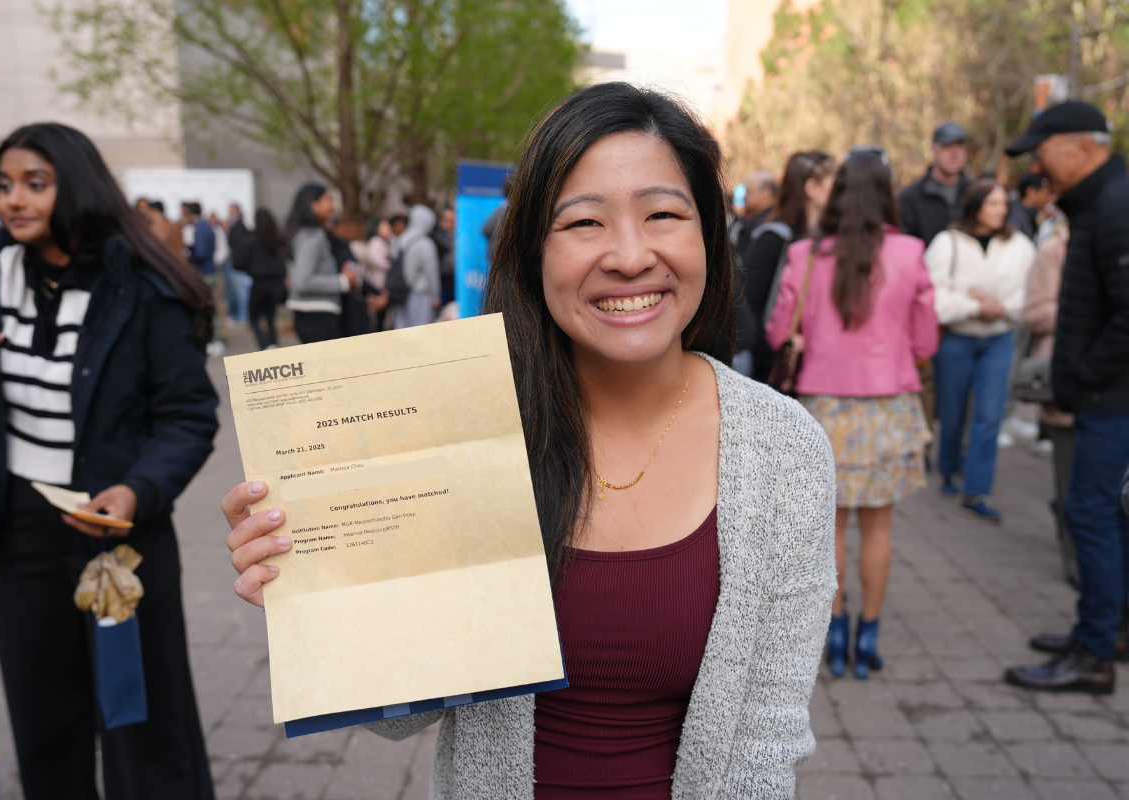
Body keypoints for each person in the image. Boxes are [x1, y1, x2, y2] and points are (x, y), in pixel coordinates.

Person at [223, 81, 836, 798]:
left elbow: (766, 737)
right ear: (533, 251)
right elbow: (399, 718)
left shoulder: (784, 450)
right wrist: (316, 591)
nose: (630, 256)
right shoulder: (462, 427)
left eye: (664, 214)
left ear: (709, 235)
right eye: (583, 224)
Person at [0, 123, 218, 798]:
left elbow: (188, 415)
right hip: (15, 538)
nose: (13, 200)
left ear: (76, 185)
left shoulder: (141, 283)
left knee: (143, 731)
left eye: (35, 183)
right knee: (45, 730)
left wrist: (139, 490)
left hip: (118, 534)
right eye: (4, 185)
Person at [766, 148, 937, 679]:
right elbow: (926, 341)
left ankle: (833, 630)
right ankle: (869, 635)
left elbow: (777, 333)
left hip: (823, 407)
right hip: (889, 407)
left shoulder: (805, 255)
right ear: (887, 192)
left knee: (831, 530)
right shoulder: (910, 253)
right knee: (879, 530)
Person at [1004, 101, 1129, 693]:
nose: (1037, 163)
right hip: (1105, 393)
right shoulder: (1099, 203)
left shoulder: (1115, 206)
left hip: (1112, 398)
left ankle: (1094, 652)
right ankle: (1110, 627)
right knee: (1111, 515)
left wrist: (1082, 372)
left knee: (1090, 512)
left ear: (1083, 145)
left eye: (1042, 149)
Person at [925, 178, 1036, 523]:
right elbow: (934, 296)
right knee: (953, 409)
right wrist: (971, 306)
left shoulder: (1020, 245)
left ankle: (976, 489)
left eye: (1004, 203)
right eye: (992, 203)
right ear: (974, 207)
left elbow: (1027, 292)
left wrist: (998, 307)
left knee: (988, 414)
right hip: (957, 337)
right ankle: (948, 470)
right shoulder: (947, 243)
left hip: (999, 338)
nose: (1001, 210)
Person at [741, 150, 836, 381]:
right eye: (836, 183)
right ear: (812, 188)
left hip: (815, 369)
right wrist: (773, 352)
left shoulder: (830, 240)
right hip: (774, 371)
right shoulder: (773, 237)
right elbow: (748, 304)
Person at [1021, 217, 1079, 586]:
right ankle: (1075, 560)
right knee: (1070, 482)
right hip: (1065, 378)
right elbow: (1032, 314)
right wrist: (1084, 311)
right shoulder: (1053, 250)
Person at [284, 183, 363, 343]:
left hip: (308, 316)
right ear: (313, 203)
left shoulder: (299, 233)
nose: (333, 206)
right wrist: (343, 281)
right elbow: (303, 281)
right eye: (328, 200)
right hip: (319, 316)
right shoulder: (313, 235)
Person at [899, 121, 972, 247]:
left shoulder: (975, 193)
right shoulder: (910, 198)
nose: (954, 153)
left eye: (959, 146)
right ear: (933, 149)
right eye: (947, 146)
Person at [235, 208, 286, 350]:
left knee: (254, 317)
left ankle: (265, 345)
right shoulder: (277, 239)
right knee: (270, 318)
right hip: (274, 284)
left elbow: (238, 262)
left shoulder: (251, 240)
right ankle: (273, 344)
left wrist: (249, 269)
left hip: (258, 283)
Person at [391, 204, 440, 329]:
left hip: (400, 292)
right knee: (421, 331)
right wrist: (435, 295)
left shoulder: (400, 240)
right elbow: (431, 272)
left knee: (401, 330)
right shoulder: (425, 243)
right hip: (421, 293)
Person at [182, 201, 221, 352]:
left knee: (207, 307)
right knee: (213, 305)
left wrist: (190, 255)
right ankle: (215, 339)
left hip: (204, 272)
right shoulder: (208, 227)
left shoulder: (199, 229)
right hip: (211, 271)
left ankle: (214, 340)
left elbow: (201, 252)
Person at [737, 169, 778, 248]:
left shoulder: (770, 227)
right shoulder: (757, 219)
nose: (744, 197)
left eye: (749, 191)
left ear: (766, 193)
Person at [433, 206, 456, 305]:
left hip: (456, 283)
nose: (450, 224)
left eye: (453, 221)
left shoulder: (459, 236)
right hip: (442, 284)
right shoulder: (436, 237)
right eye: (446, 220)